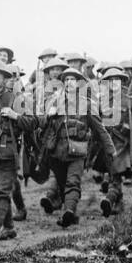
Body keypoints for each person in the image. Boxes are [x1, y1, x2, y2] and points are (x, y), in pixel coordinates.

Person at [36, 65, 113, 227]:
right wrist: (49, 115)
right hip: (56, 152)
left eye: (74, 80)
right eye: (67, 80)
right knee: (63, 183)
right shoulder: (53, 101)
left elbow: (100, 129)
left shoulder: (87, 104)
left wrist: (110, 149)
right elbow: (40, 123)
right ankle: (69, 209)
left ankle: (69, 211)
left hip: (78, 150)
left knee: (73, 182)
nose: (70, 83)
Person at [0, 61, 35, 244]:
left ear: (5, 78)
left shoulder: (16, 99)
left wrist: (15, 115)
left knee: (2, 192)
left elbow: (32, 122)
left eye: (0, 74)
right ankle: (9, 228)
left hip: (8, 153)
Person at [96, 66, 132, 216]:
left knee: (115, 177)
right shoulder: (102, 103)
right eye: (110, 81)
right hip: (108, 145)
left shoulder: (131, 102)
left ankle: (110, 199)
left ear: (122, 82)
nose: (114, 83)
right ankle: (119, 202)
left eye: (117, 80)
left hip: (124, 145)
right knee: (113, 175)